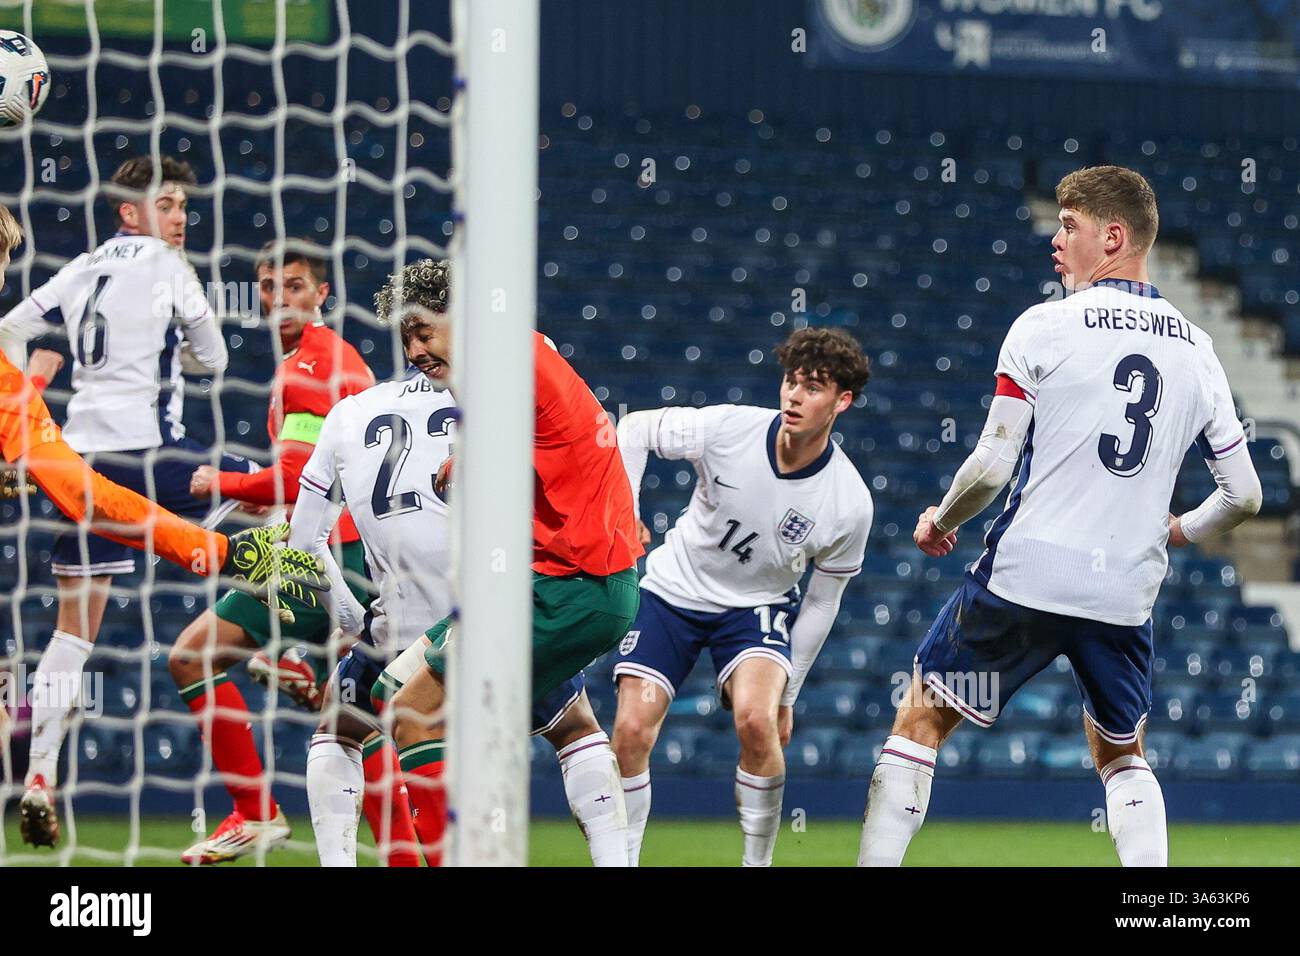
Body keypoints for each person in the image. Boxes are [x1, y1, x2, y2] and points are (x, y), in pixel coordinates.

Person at [857, 166, 1262, 868]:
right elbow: (1246, 494)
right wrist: (1180, 529)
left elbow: (990, 466)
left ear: (1113, 235)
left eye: (1068, 226)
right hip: (1120, 601)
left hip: (1023, 589)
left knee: (921, 718)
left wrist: (938, 519)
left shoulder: (1044, 325)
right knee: (1121, 753)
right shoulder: (1198, 351)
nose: (1055, 240)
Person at [0, 204, 326, 842]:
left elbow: (17, 325)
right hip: (151, 457)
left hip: (85, 452)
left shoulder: (71, 280)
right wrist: (220, 553)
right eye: (171, 203)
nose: (181, 216)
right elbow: (214, 357)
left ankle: (41, 770)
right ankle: (293, 650)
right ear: (136, 210)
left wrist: (31, 383)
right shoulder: (166, 266)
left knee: (72, 636)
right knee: (282, 494)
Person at [372, 260, 645, 867]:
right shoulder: (513, 354)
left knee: (416, 717)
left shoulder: (501, 368)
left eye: (425, 331)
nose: (415, 349)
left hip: (572, 588)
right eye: (406, 338)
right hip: (558, 580)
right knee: (389, 692)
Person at [611, 327, 873, 866]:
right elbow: (633, 430)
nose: (796, 396)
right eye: (791, 382)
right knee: (631, 729)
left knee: (758, 720)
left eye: (814, 387)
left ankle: (757, 863)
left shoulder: (849, 502)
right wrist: (624, 516)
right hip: (673, 590)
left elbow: (822, 603)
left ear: (842, 401)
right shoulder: (730, 428)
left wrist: (788, 695)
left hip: (757, 607)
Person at [169, 241, 384, 865]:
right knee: (350, 723)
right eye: (269, 286)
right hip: (345, 551)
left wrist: (222, 483)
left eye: (294, 285)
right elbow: (309, 477)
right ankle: (300, 666)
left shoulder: (311, 362)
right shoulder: (323, 358)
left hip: (322, 555)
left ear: (321, 293)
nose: (279, 298)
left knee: (191, 658)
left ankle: (255, 811)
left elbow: (292, 476)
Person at [285, 294, 458, 866]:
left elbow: (301, 542)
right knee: (575, 730)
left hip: (396, 628)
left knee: (338, 730)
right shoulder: (507, 392)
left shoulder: (351, 411)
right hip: (484, 619)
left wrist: (353, 621)